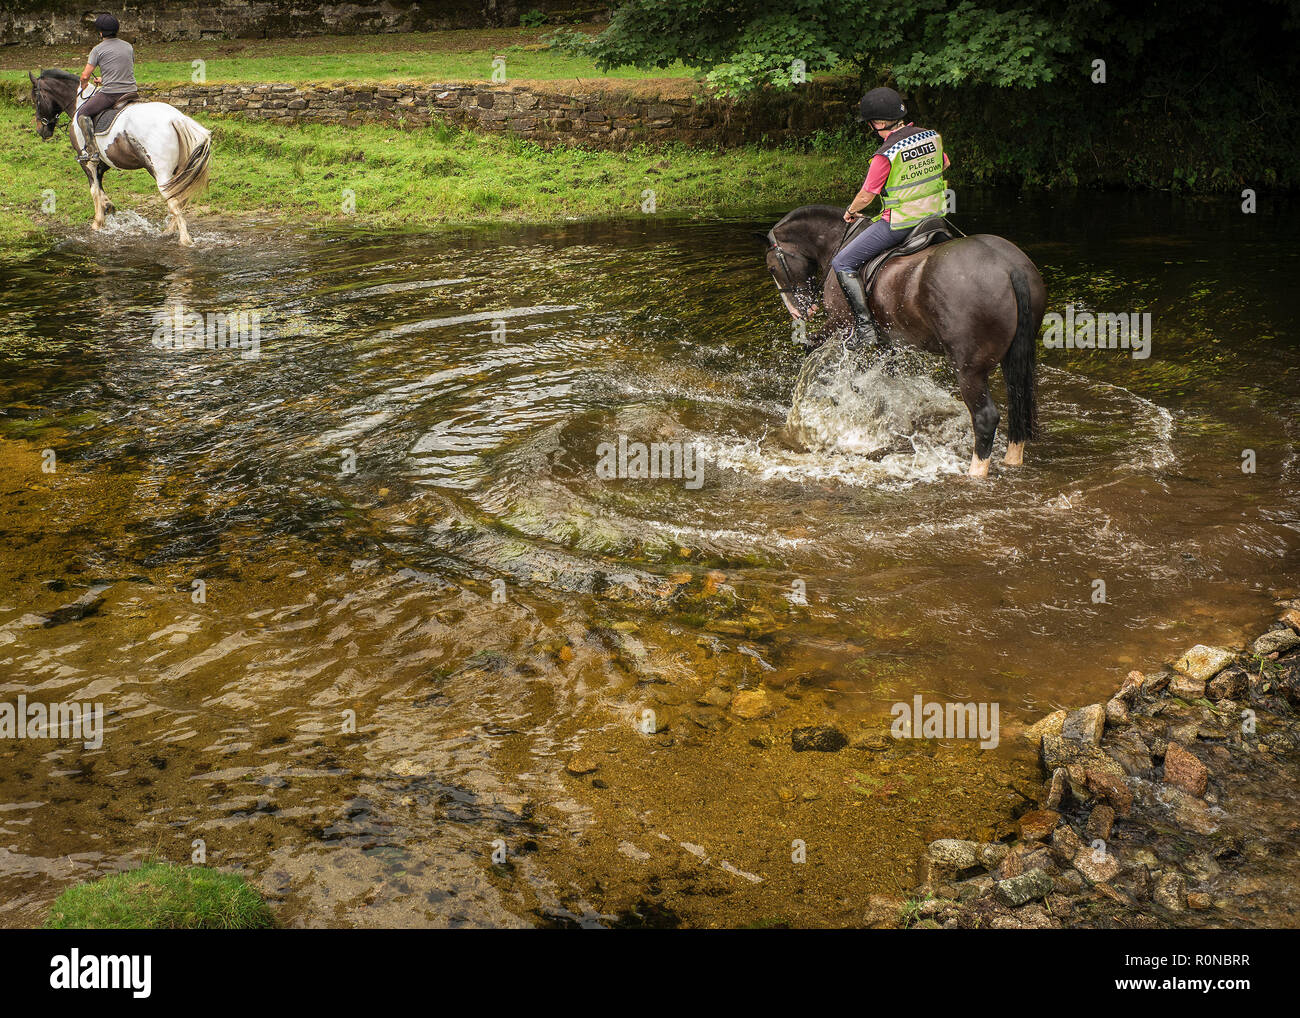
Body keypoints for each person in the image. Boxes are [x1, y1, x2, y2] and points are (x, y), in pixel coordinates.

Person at [832, 87, 950, 349]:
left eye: (872, 123)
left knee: (842, 262)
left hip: (901, 224)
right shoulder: (930, 137)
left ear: (879, 123)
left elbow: (866, 196)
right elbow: (944, 164)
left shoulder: (885, 154)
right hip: (935, 217)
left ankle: (865, 329)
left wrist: (850, 211)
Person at [76, 13, 138, 165]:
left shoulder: (97, 50)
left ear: (101, 32)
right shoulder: (128, 47)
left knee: (83, 113)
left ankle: (92, 151)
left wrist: (84, 85)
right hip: (131, 91)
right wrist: (103, 79)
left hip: (111, 94)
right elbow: (123, 70)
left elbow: (85, 76)